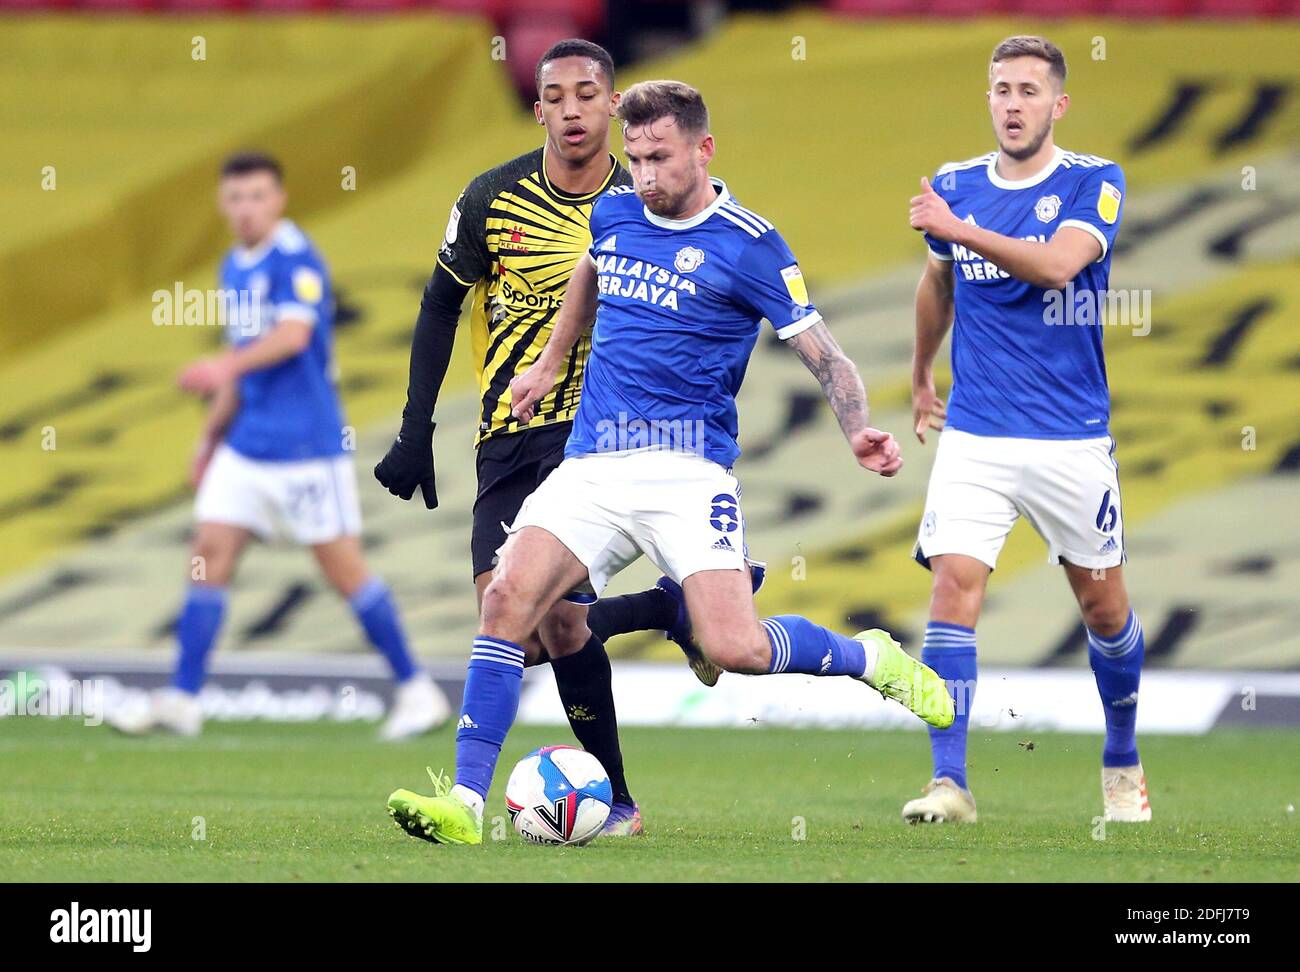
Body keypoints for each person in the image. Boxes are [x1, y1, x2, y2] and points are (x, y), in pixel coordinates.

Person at [385, 79, 954, 847]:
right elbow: (592, 269)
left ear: (703, 149)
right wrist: (552, 362)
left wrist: (857, 429)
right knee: (506, 602)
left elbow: (825, 354)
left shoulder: (751, 243)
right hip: (592, 465)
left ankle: (864, 657)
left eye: (660, 157)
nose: (645, 175)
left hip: (690, 474)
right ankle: (464, 802)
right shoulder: (616, 211)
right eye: (636, 158)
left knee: (734, 649)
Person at [109, 151, 448, 741]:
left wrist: (221, 365)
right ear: (222, 203)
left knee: (344, 571)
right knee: (208, 553)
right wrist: (210, 436)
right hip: (245, 447)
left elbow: (292, 337)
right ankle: (183, 698)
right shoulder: (233, 266)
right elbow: (244, 371)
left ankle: (417, 690)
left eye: (258, 196)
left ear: (280, 199)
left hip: (305, 450)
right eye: (236, 198)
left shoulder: (296, 258)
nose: (246, 209)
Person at [904, 35, 1147, 824]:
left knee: (1104, 610)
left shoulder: (1093, 181)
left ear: (1058, 105)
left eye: (1028, 91)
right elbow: (936, 281)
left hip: (1069, 435)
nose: (1012, 103)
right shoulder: (956, 183)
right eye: (1001, 89)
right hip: (976, 431)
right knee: (953, 586)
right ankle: (951, 782)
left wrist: (958, 228)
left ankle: (1121, 753)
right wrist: (919, 372)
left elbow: (1055, 267)